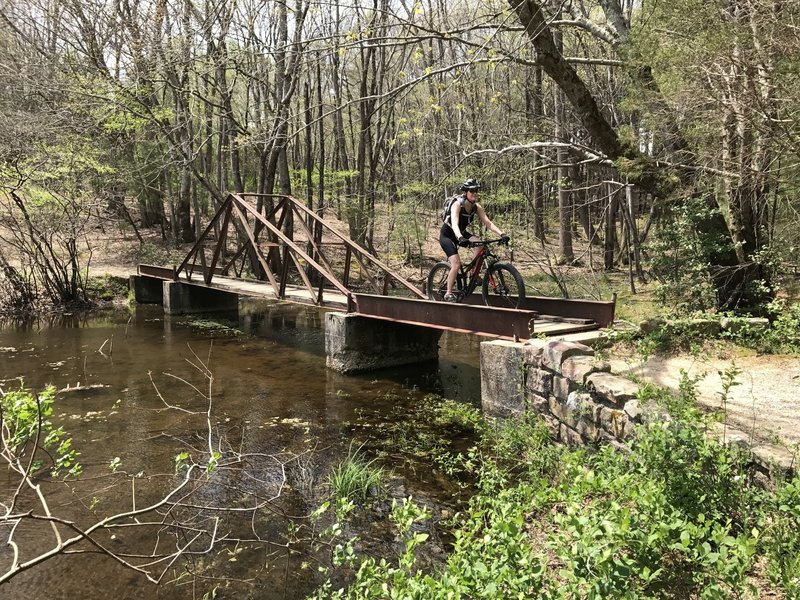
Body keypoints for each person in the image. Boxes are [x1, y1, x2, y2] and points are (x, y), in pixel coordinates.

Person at [439, 178, 509, 301]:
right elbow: (454, 223)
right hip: (448, 235)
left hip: (461, 234)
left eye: (476, 190)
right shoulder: (457, 204)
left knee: (480, 244)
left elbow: (488, 223)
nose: (475, 193)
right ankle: (448, 293)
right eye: (472, 191)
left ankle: (473, 274)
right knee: (456, 263)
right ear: (465, 192)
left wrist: (502, 234)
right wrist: (459, 237)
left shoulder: (476, 207)